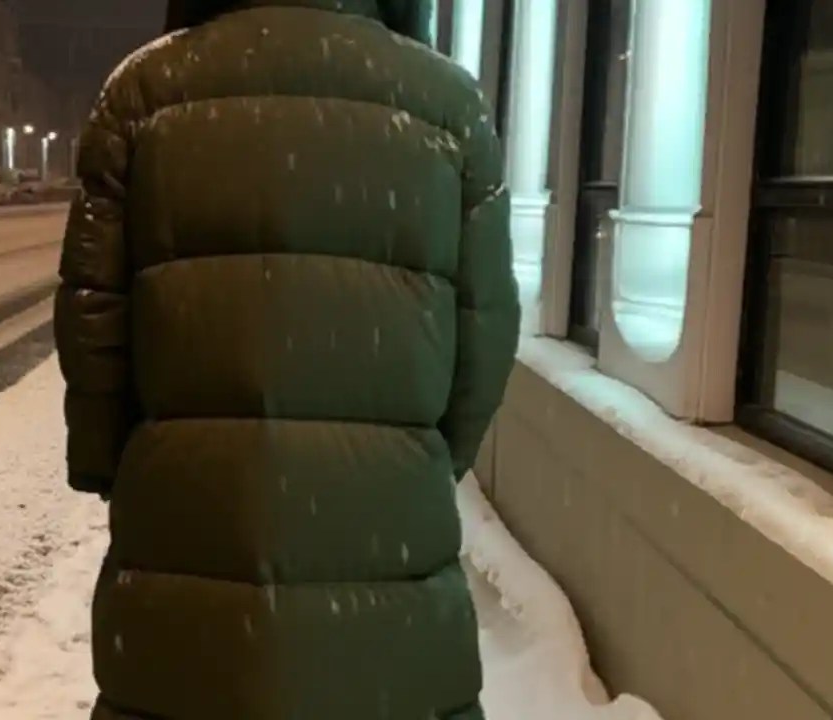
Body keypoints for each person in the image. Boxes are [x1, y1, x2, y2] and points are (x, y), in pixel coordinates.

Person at [54, 0, 520, 717]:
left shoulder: (146, 93)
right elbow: (485, 331)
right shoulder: (445, 106)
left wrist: (117, 460)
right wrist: (417, 461)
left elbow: (93, 316)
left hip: (194, 508)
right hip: (380, 524)